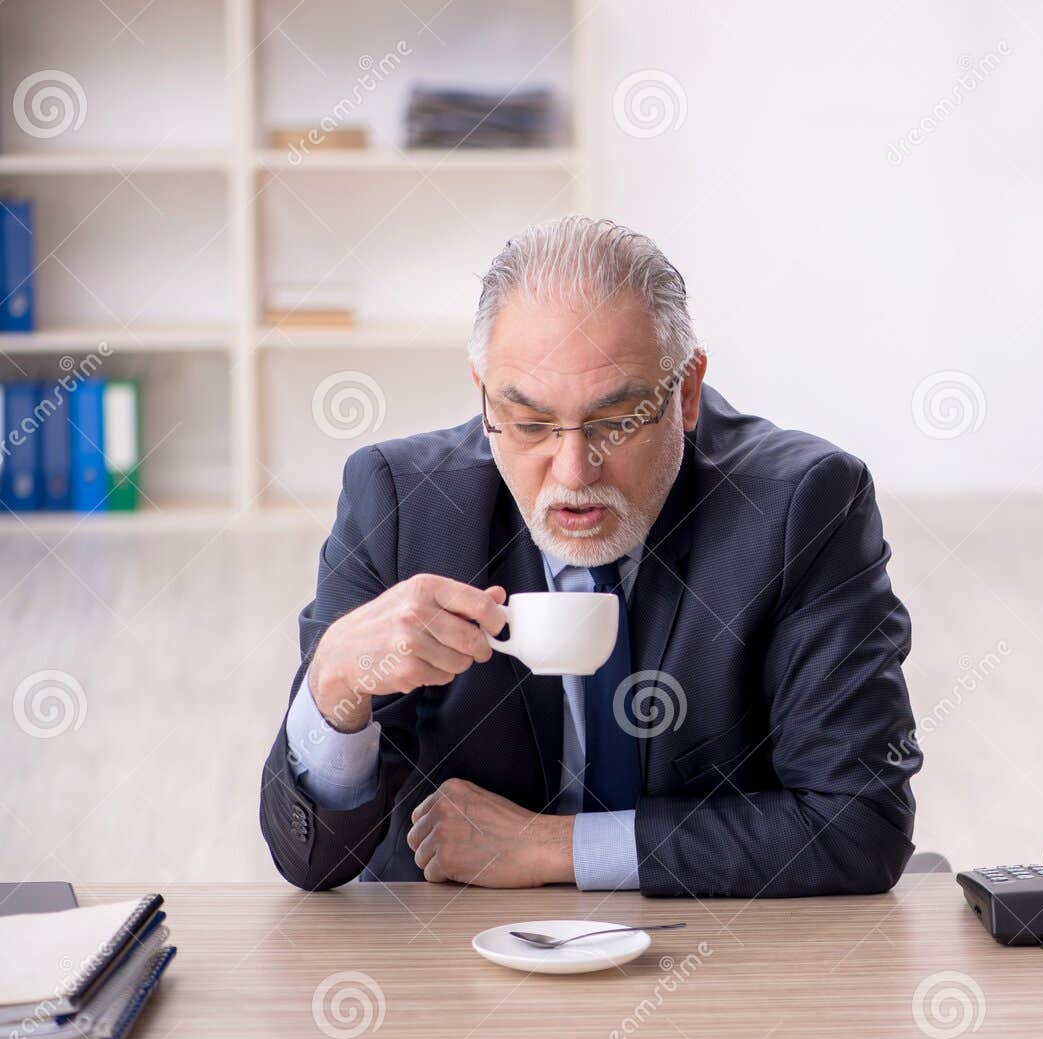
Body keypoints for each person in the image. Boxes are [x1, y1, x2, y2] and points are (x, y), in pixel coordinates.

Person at [258, 215, 920, 898]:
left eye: (617, 421)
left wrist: (552, 848)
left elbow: (857, 824)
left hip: (713, 959)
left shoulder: (802, 505)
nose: (573, 472)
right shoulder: (399, 503)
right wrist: (335, 686)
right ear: (484, 394)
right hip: (455, 960)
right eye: (530, 423)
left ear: (686, 392)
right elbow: (314, 864)